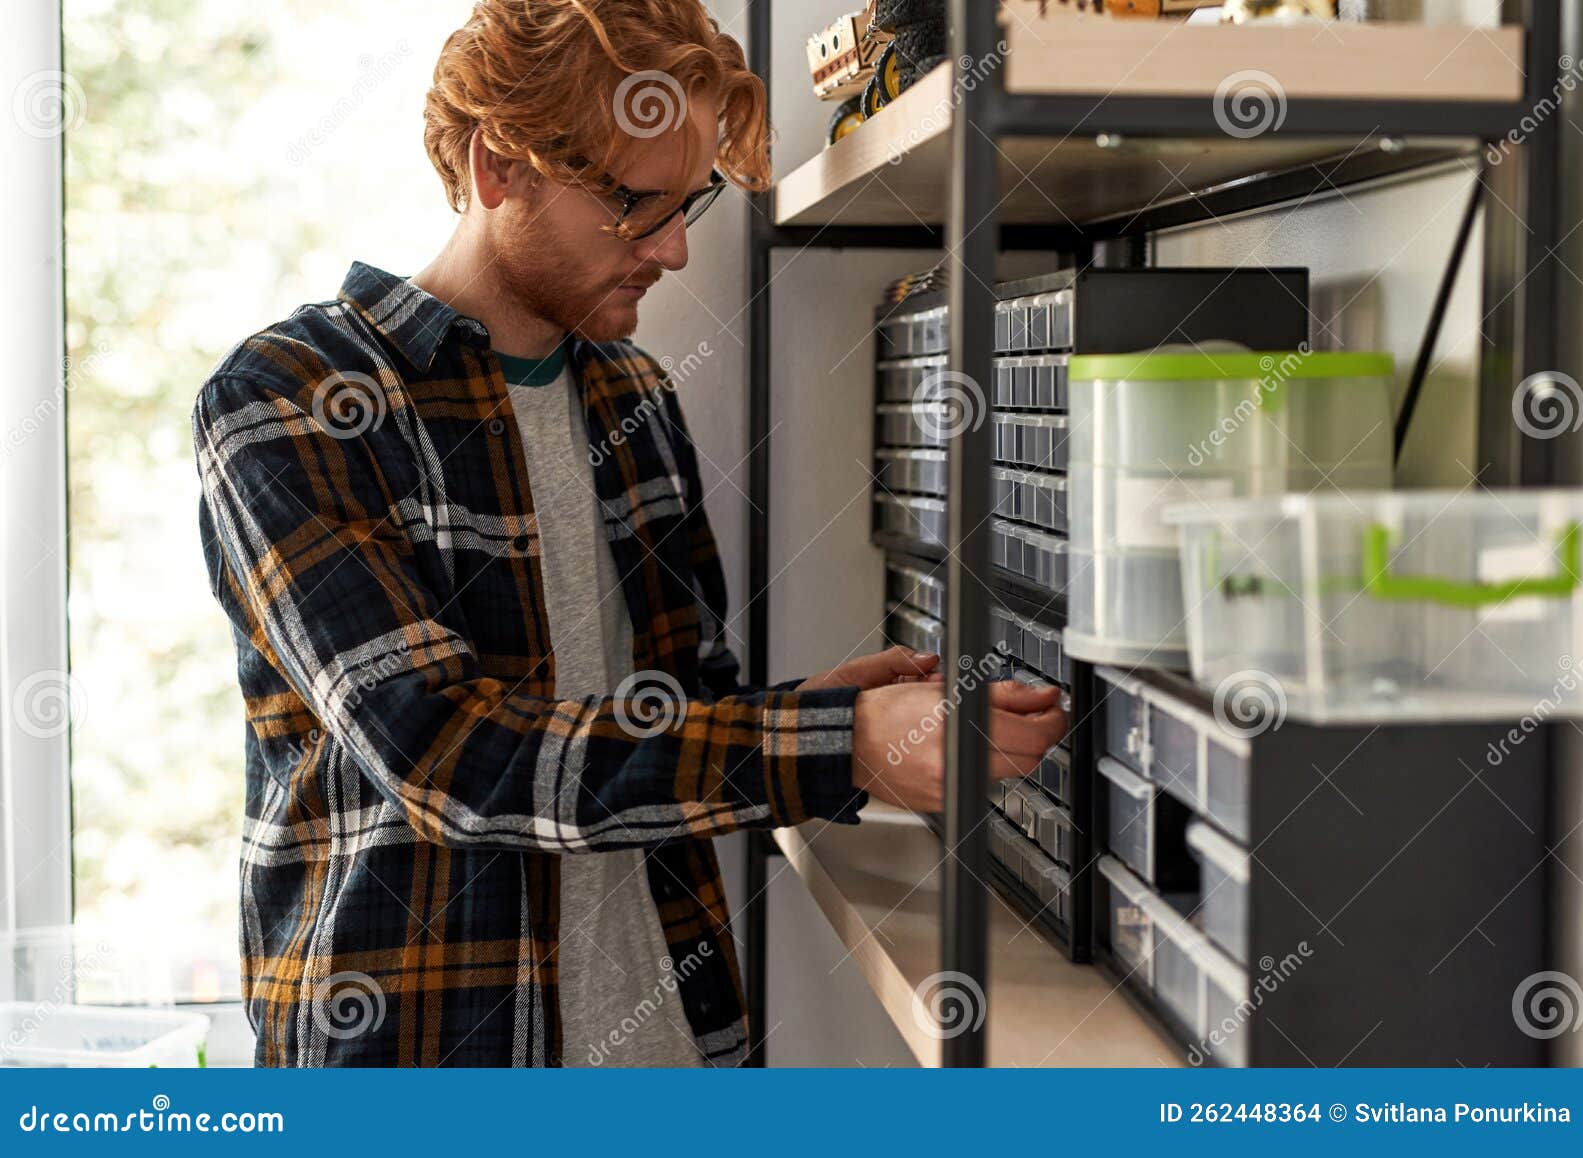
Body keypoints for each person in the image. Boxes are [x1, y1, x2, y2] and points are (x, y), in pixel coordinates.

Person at [191, 0, 1067, 1068]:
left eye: (687, 203)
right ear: (498, 168)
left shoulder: (634, 395)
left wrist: (824, 713)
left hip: (671, 1046)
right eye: (634, 205)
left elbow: (675, 720)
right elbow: (444, 755)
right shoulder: (288, 399)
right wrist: (837, 744)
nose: (676, 249)